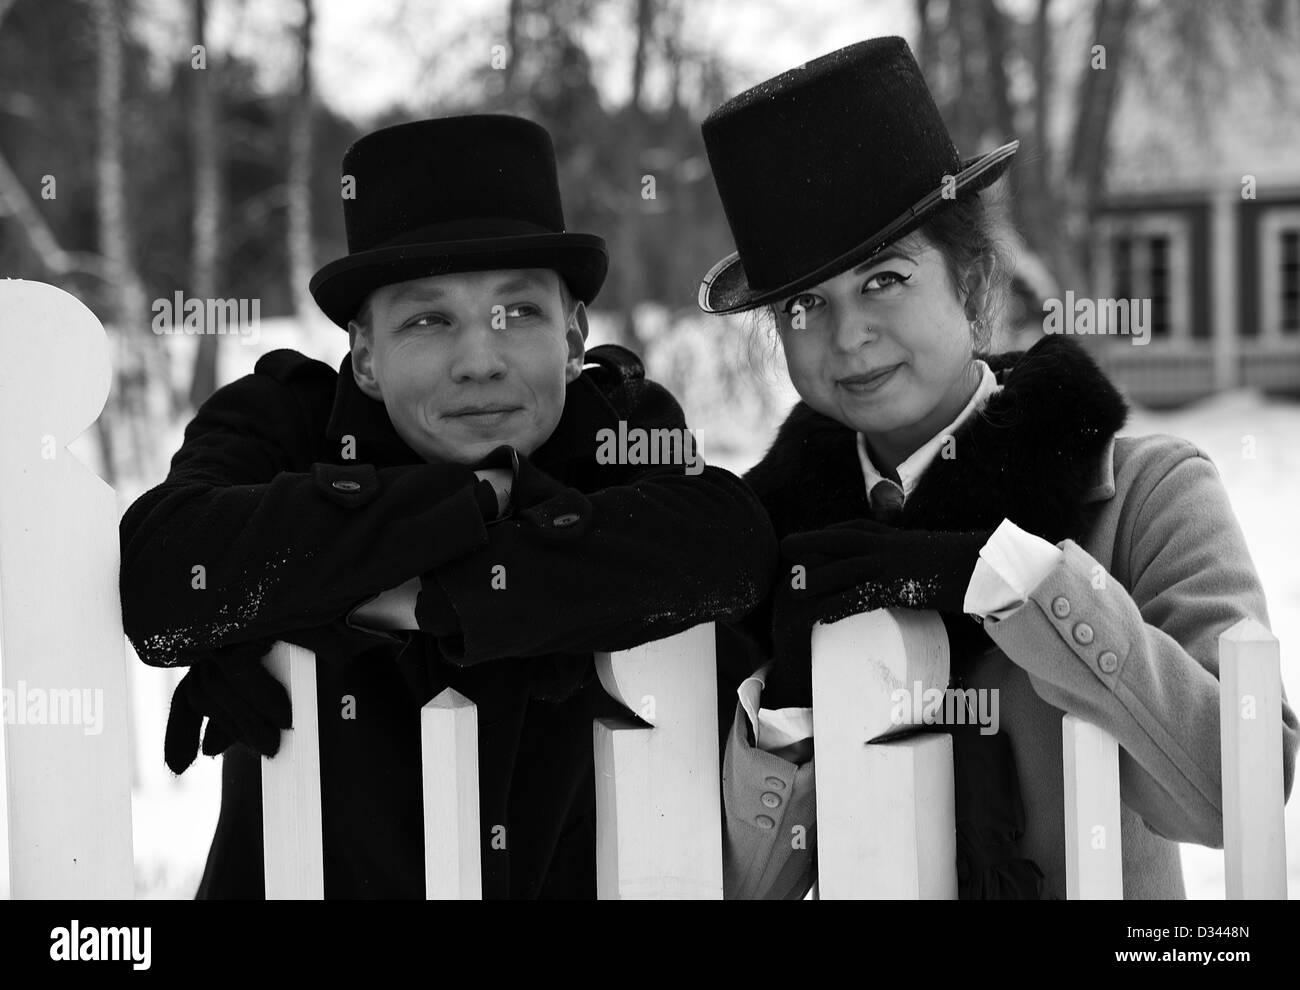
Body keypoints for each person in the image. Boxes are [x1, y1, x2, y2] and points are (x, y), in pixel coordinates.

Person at [119, 114, 777, 898]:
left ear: (573, 339)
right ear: (366, 355)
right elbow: (163, 581)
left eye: (519, 312)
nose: (479, 361)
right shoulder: (283, 422)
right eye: (429, 320)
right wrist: (481, 499)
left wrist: (398, 595)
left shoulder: (618, 428)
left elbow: (730, 550)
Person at [702, 37, 1298, 899]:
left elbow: (1236, 795)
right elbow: (739, 886)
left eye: (885, 280)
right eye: (805, 304)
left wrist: (1013, 580)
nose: (849, 336)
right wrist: (790, 700)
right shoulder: (771, 545)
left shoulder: (1150, 495)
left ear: (976, 288)